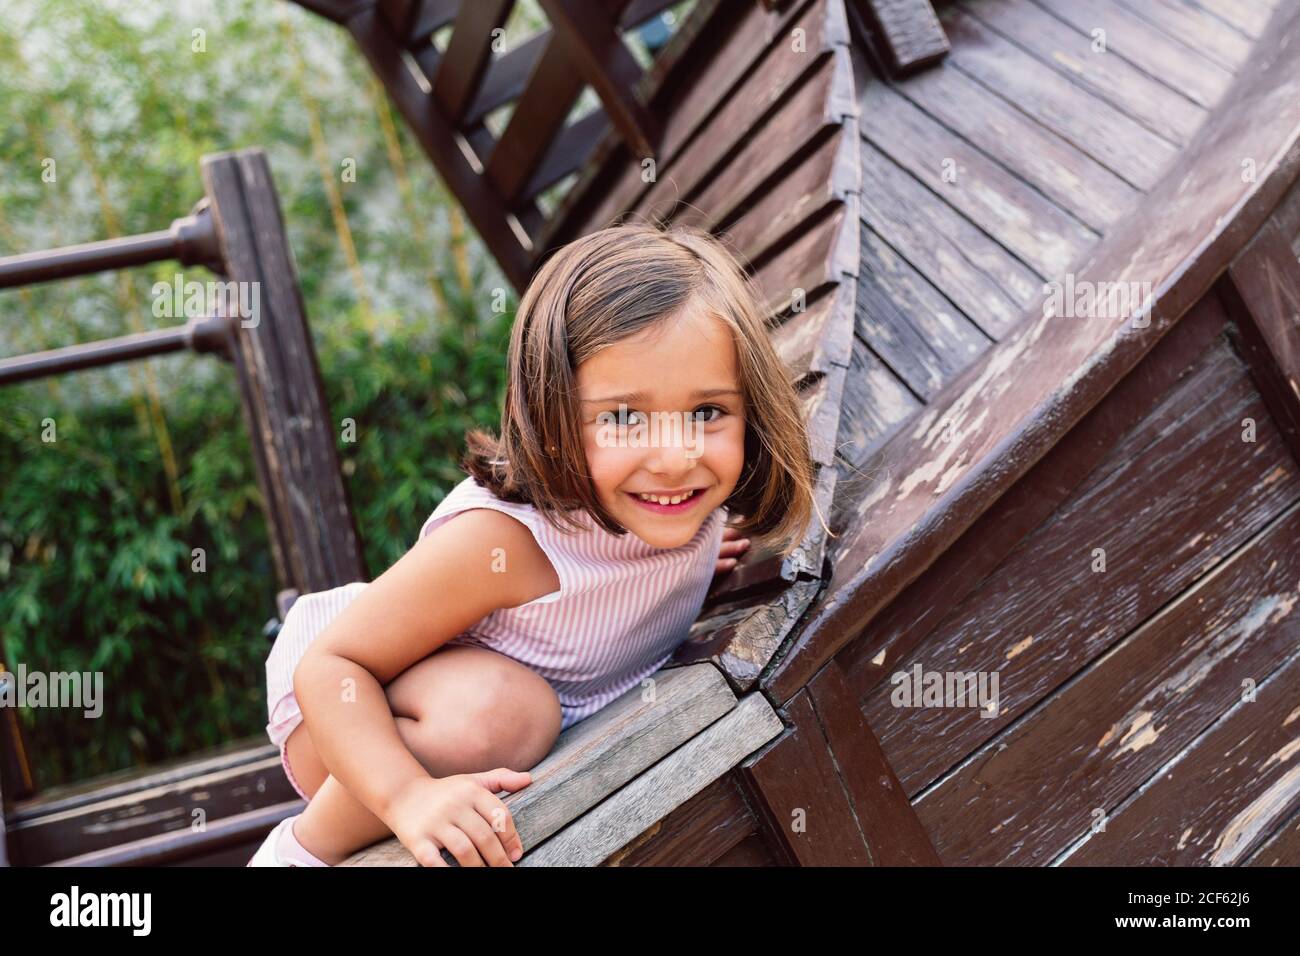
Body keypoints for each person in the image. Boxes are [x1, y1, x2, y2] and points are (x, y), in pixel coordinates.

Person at [248, 222, 819, 867]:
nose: (675, 456)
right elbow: (332, 667)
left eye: (707, 412)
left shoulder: (681, 507)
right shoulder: (505, 544)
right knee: (509, 717)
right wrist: (408, 796)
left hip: (465, 691)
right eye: (624, 418)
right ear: (546, 417)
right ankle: (298, 851)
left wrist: (680, 559)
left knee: (517, 712)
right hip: (355, 706)